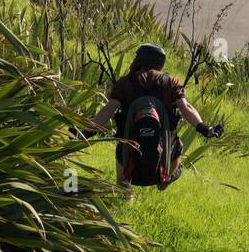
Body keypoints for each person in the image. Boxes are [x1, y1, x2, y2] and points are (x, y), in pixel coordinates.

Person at [85, 43, 223, 184]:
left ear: (141, 60)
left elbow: (108, 110)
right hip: (165, 153)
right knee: (178, 145)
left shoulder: (125, 83)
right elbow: (186, 108)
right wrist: (205, 128)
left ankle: (124, 192)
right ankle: (166, 178)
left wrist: (85, 131)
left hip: (129, 150)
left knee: (122, 160)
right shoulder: (171, 83)